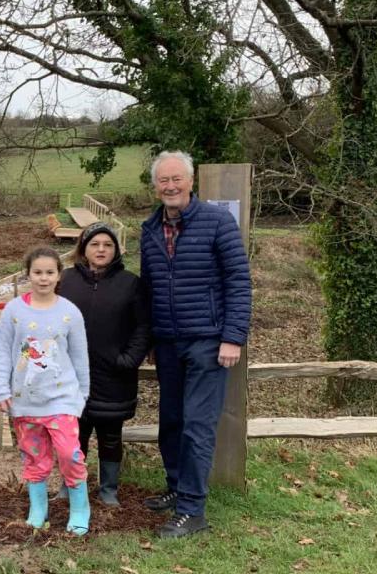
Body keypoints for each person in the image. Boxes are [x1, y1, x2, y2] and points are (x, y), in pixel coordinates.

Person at [139, 150, 252, 538]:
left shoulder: (217, 221)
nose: (170, 186)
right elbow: (150, 288)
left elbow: (238, 280)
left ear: (191, 182)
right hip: (168, 343)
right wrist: (152, 337)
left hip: (207, 341)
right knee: (170, 422)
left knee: (197, 426)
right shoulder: (150, 229)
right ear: (155, 187)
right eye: (163, 181)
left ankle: (193, 510)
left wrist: (232, 336)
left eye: (177, 179)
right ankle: (175, 487)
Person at [0, 246, 91, 536]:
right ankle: (38, 508)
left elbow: (79, 356)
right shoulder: (14, 311)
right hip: (26, 401)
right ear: (28, 275)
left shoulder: (70, 313)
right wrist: (0, 389)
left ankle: (80, 507)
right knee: (33, 456)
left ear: (59, 275)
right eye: (38, 272)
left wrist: (81, 395)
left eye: (49, 272)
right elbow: (4, 355)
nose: (43, 278)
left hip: (62, 400)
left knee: (69, 452)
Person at [58, 223, 151, 507]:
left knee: (111, 436)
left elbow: (144, 327)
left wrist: (129, 359)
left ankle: (109, 489)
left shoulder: (130, 283)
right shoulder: (66, 280)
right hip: (72, 375)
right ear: (83, 249)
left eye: (107, 245)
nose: (101, 249)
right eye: (95, 244)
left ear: (116, 250)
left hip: (114, 374)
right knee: (74, 435)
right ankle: (71, 486)